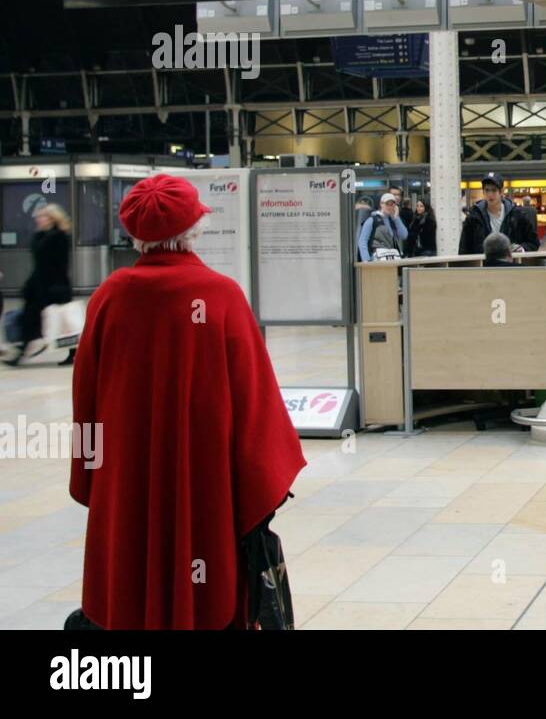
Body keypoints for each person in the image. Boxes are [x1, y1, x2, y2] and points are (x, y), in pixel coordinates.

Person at [70, 174, 305, 628]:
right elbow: (256, 408)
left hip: (125, 480)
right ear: (197, 227)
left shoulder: (108, 298)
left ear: (134, 234)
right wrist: (261, 482)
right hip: (205, 483)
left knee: (131, 579)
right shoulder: (221, 297)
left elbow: (86, 405)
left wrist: (93, 480)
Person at [6, 203, 73, 365]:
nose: (38, 219)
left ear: (51, 218)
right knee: (30, 318)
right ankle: (21, 351)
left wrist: (58, 285)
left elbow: (61, 264)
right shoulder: (40, 236)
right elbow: (38, 263)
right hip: (38, 286)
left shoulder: (59, 237)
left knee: (64, 321)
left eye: (42, 216)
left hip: (54, 285)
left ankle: (74, 351)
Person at [458, 173, 539, 255]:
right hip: (484, 265)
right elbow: (464, 248)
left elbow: (533, 242)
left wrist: (521, 249)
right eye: (487, 190)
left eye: (494, 190)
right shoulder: (474, 217)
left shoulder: (517, 214)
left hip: (510, 265)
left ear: (501, 192)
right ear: (483, 192)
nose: (490, 194)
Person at [357, 192, 408, 262]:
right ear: (381, 204)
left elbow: (404, 235)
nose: (390, 207)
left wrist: (396, 218)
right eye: (387, 204)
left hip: (391, 258)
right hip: (377, 259)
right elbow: (362, 241)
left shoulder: (393, 220)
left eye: (392, 204)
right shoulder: (372, 220)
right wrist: (366, 260)